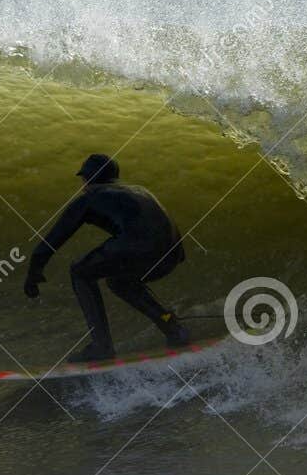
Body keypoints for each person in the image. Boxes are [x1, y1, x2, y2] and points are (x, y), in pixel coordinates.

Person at [23, 153, 190, 362]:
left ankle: (101, 346)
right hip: (172, 255)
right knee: (120, 282)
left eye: (83, 179)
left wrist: (34, 272)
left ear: (88, 179)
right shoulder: (139, 190)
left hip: (142, 249)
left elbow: (51, 241)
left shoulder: (90, 197)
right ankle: (172, 327)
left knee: (79, 272)